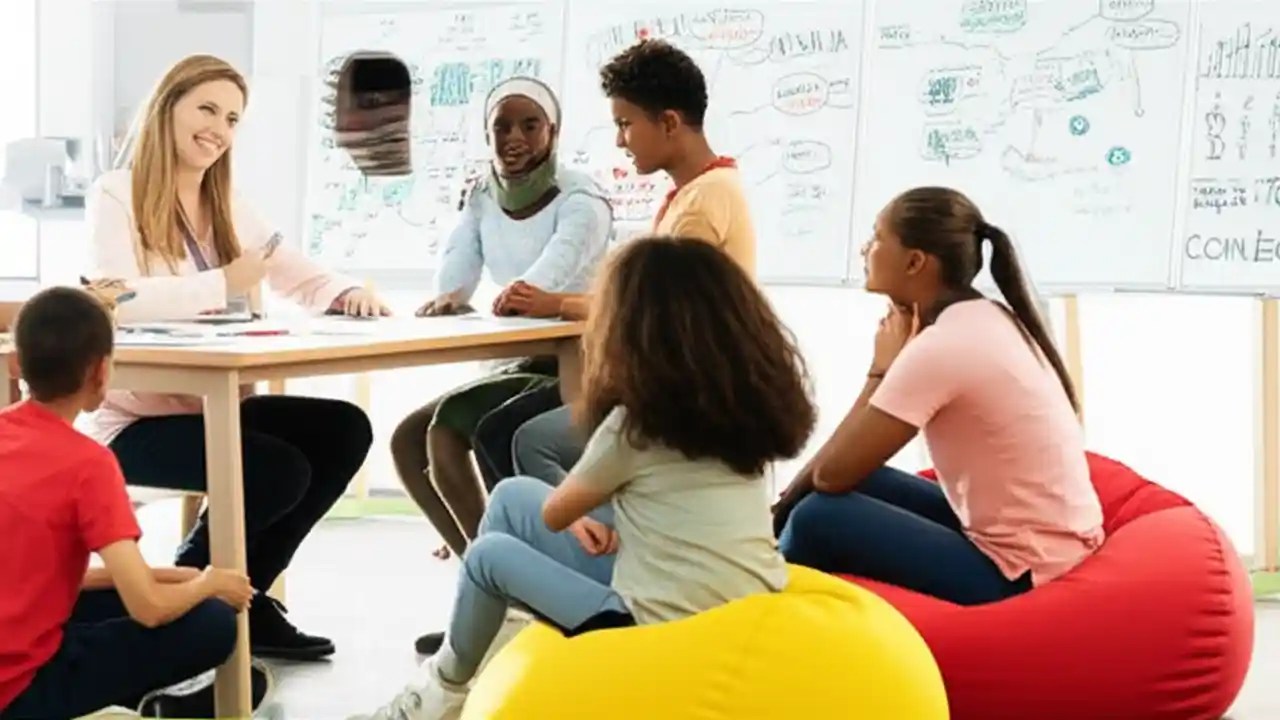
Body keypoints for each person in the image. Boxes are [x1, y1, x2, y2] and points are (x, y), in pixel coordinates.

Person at [354, 235, 814, 720]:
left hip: (650, 625)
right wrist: (587, 517)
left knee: (488, 556)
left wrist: (576, 519)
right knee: (510, 495)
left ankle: (440, 693)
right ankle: (487, 650)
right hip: (748, 604)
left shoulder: (632, 427)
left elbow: (556, 512)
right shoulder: (751, 412)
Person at [83, 54, 382, 661]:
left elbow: (291, 267)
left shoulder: (226, 203)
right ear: (168, 107)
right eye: (207, 109)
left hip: (216, 406)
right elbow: (116, 298)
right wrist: (225, 282)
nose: (219, 127)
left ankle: (242, 598)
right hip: (138, 423)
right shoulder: (115, 194)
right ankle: (182, 601)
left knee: (343, 429)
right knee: (277, 469)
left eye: (232, 118)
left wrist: (345, 291)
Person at [773, 187, 1105, 606]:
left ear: (915, 262)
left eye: (876, 238)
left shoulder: (942, 346)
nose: (864, 250)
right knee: (861, 481)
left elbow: (830, 475)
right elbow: (845, 466)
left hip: (1023, 571)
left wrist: (882, 371)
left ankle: (751, 610)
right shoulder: (987, 316)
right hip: (1047, 543)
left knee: (817, 519)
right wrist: (775, 513)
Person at [486, 37, 757, 492]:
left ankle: (587, 549)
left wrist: (556, 303)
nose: (619, 140)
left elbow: (654, 314)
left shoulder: (702, 203)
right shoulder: (698, 192)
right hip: (668, 384)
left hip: (681, 398)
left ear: (669, 122)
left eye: (625, 124)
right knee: (508, 428)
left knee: (528, 440)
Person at [0, 287, 269, 719]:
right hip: (20, 693)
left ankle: (141, 702)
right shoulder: (89, 463)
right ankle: (152, 705)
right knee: (214, 621)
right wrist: (208, 584)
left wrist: (169, 575)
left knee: (131, 603)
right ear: (102, 371)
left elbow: (31, 576)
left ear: (18, 364)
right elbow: (148, 608)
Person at [389, 76, 611, 593]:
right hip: (517, 361)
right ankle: (487, 580)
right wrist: (450, 295)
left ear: (553, 131)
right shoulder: (482, 195)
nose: (514, 137)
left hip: (575, 366)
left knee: (446, 433)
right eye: (501, 127)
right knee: (406, 441)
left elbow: (544, 279)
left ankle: (512, 585)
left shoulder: (582, 196)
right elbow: (457, 270)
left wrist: (521, 294)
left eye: (529, 125)